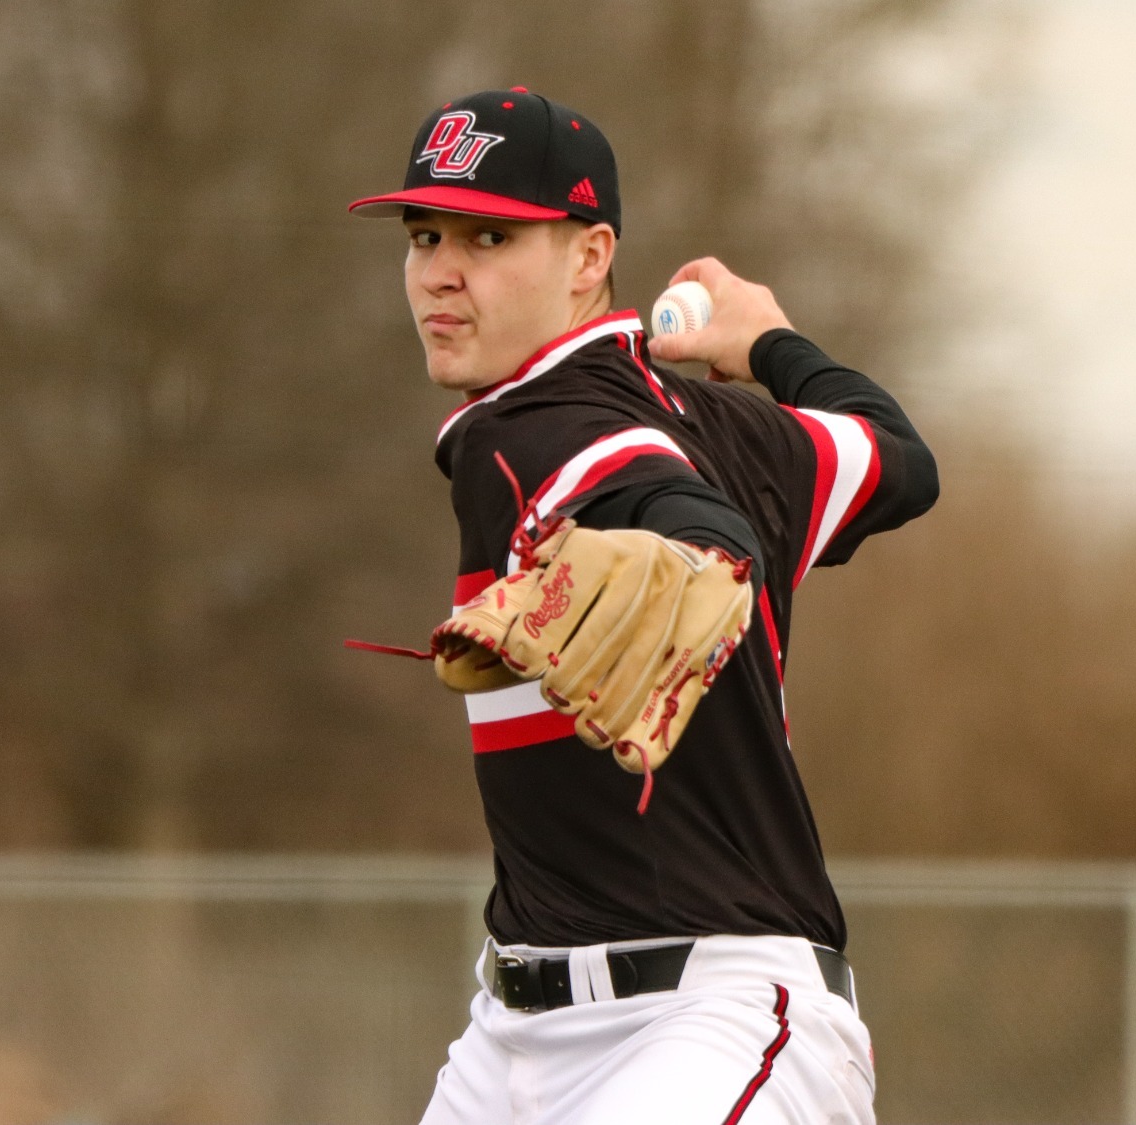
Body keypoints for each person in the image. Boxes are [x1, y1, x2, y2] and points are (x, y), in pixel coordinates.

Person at [347, 88, 939, 1124]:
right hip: (513, 1037)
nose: (440, 270)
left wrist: (697, 544)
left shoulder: (530, 427)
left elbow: (651, 492)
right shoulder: (731, 424)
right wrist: (769, 349)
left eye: (489, 236)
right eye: (424, 234)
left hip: (703, 1026)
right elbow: (896, 462)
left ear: (588, 258)